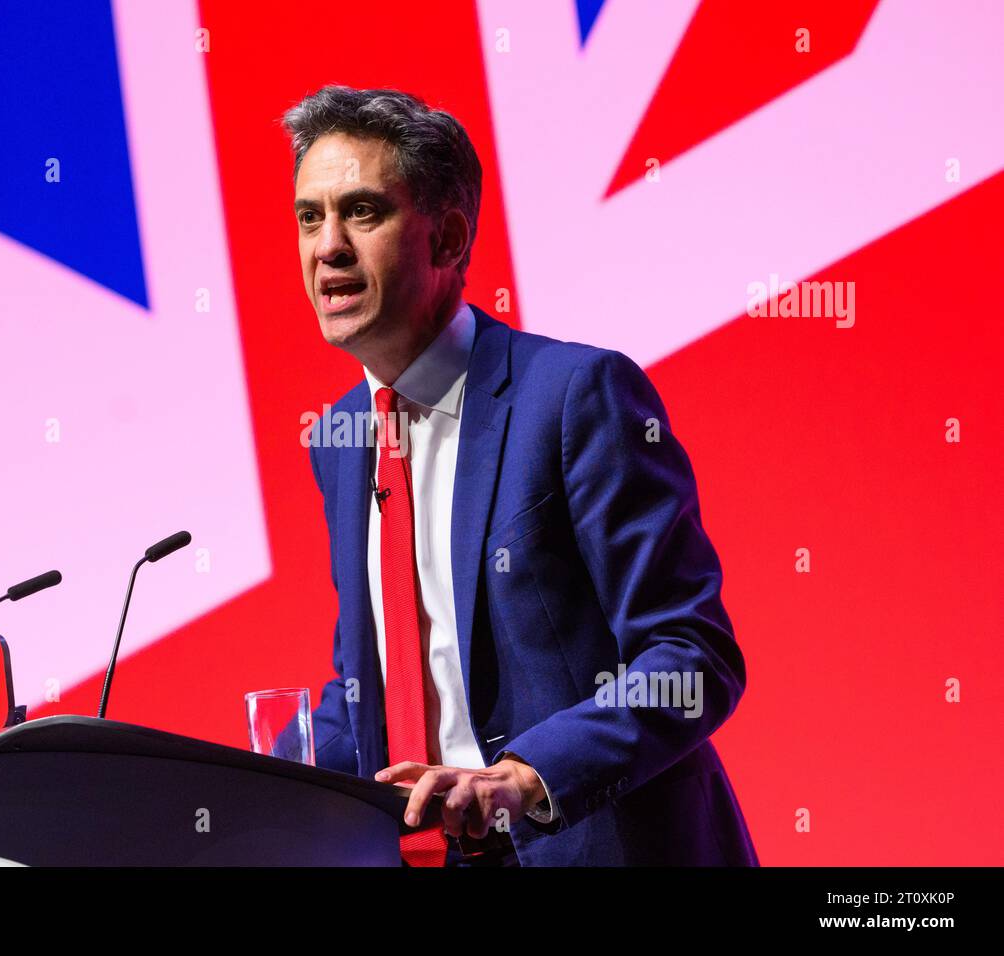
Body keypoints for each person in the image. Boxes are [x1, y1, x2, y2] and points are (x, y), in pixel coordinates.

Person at [285, 85, 758, 867]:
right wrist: (233, 791)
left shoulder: (573, 398)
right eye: (309, 217)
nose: (327, 246)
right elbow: (369, 690)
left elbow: (691, 657)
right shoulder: (340, 440)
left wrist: (523, 779)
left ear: (448, 237)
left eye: (363, 212)